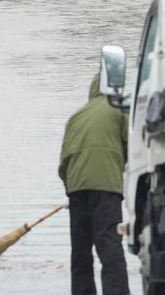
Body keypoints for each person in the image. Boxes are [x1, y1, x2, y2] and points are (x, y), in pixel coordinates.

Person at [59, 73, 130, 295]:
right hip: (106, 188)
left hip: (77, 188)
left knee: (80, 251)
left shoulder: (76, 117)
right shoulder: (119, 110)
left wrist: (71, 189)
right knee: (110, 247)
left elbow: (63, 163)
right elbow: (132, 143)